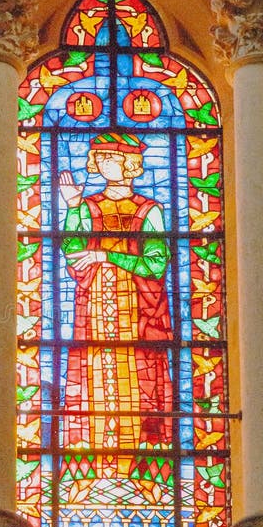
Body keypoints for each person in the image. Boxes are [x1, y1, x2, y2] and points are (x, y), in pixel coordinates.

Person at [59, 132, 173, 458]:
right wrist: (71, 208)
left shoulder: (149, 210)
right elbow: (73, 251)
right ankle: (96, 457)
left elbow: (155, 263)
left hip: (138, 310)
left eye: (113, 157)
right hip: (95, 306)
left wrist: (108, 256)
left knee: (138, 376)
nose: (106, 164)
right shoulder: (87, 207)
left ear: (131, 164)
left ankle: (138, 458)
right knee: (95, 371)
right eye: (102, 158)